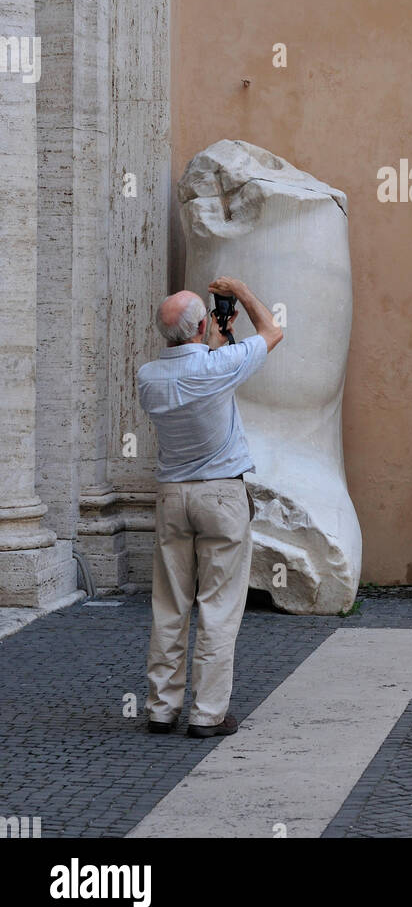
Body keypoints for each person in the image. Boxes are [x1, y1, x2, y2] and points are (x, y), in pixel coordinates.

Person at [137, 276, 283, 737]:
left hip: (172, 496)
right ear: (202, 328)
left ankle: (162, 708)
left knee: (169, 604)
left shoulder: (148, 378)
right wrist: (240, 289)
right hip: (221, 495)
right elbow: (273, 331)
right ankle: (207, 714)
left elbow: (197, 367)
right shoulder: (219, 367)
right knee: (218, 606)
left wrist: (212, 340)